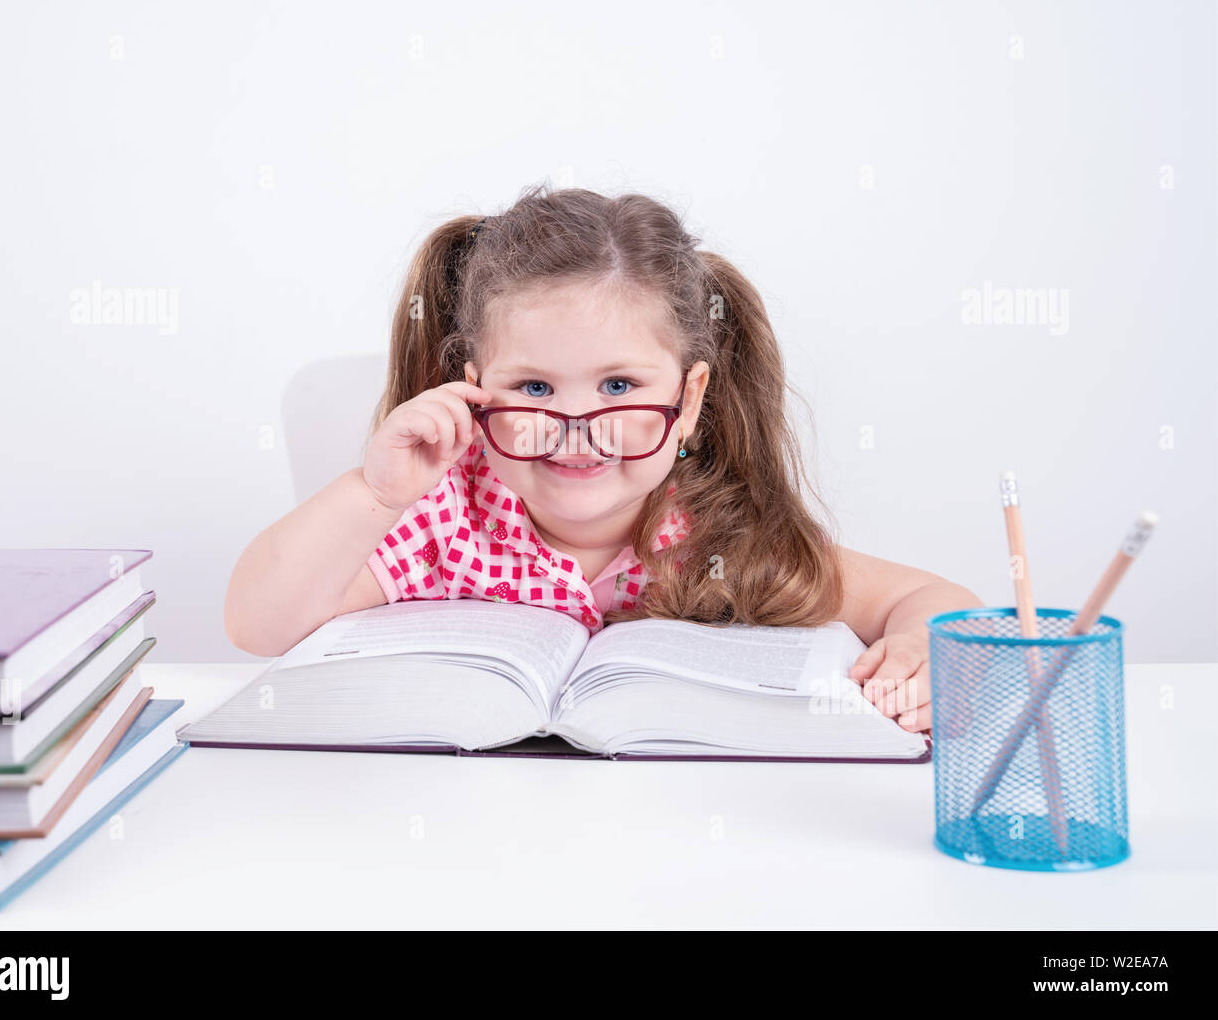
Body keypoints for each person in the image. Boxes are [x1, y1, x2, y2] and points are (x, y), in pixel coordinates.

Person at [225, 184, 983, 735]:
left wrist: (917, 647)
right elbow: (258, 625)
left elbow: (934, 597)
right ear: (476, 390)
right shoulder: (438, 521)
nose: (576, 427)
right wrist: (373, 493)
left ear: (688, 400)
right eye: (535, 386)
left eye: (618, 385)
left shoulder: (721, 537)